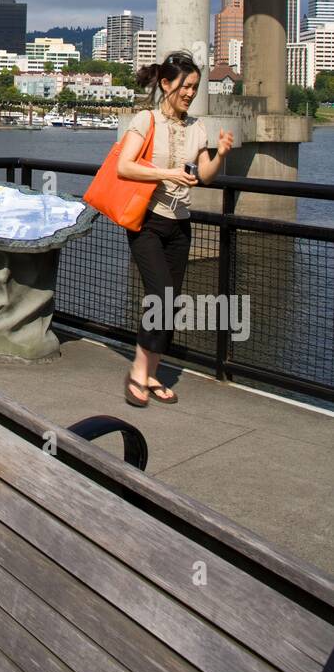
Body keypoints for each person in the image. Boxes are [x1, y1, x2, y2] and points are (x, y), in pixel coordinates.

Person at [116, 50, 234, 407]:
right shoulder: (146, 121)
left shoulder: (197, 127)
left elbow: (204, 176)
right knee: (162, 294)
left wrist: (221, 155)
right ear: (166, 84)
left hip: (181, 224)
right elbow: (125, 167)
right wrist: (166, 173)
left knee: (170, 303)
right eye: (185, 86)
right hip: (147, 222)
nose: (190, 93)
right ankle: (138, 372)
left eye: (195, 87)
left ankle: (151, 373)